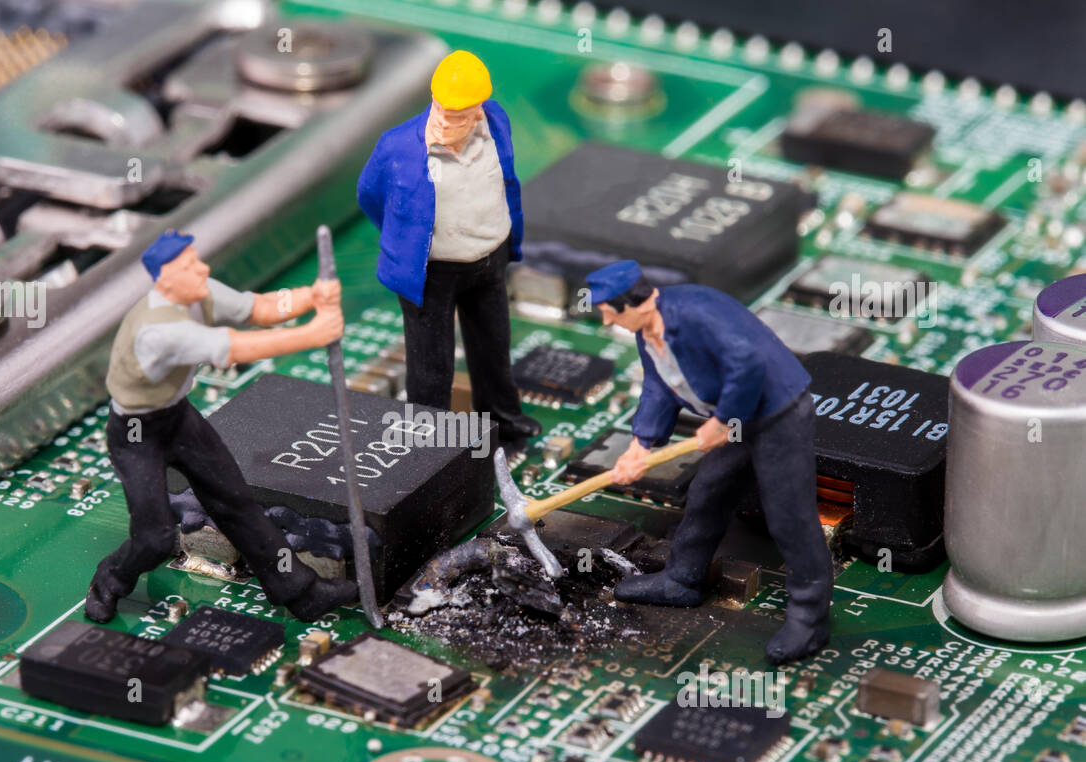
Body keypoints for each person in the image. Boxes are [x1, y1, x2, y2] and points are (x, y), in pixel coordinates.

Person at [85, 230, 358, 623]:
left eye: (197, 260)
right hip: (136, 433)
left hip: (177, 416)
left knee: (238, 504)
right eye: (190, 265)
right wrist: (313, 335)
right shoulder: (159, 330)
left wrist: (310, 296)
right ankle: (108, 580)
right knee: (156, 538)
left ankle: (302, 593)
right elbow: (237, 348)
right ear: (165, 279)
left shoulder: (197, 292)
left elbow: (259, 308)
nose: (203, 268)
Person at [587, 260, 833, 664]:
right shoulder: (647, 331)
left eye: (610, 311)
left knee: (790, 518)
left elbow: (747, 362)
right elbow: (658, 387)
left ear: (640, 302)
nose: (606, 319)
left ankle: (810, 619)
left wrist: (723, 421)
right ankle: (682, 580)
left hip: (777, 412)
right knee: (707, 492)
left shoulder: (697, 314)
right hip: (736, 419)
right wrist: (641, 443)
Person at [357, 50, 540, 444]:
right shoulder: (397, 146)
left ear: (477, 110)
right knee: (430, 363)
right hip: (431, 269)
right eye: (440, 108)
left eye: (456, 114)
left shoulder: (497, 123)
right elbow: (370, 195)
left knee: (493, 347)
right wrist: (404, 242)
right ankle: (427, 441)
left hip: (491, 259)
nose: (443, 120)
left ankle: (503, 420)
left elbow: (507, 180)